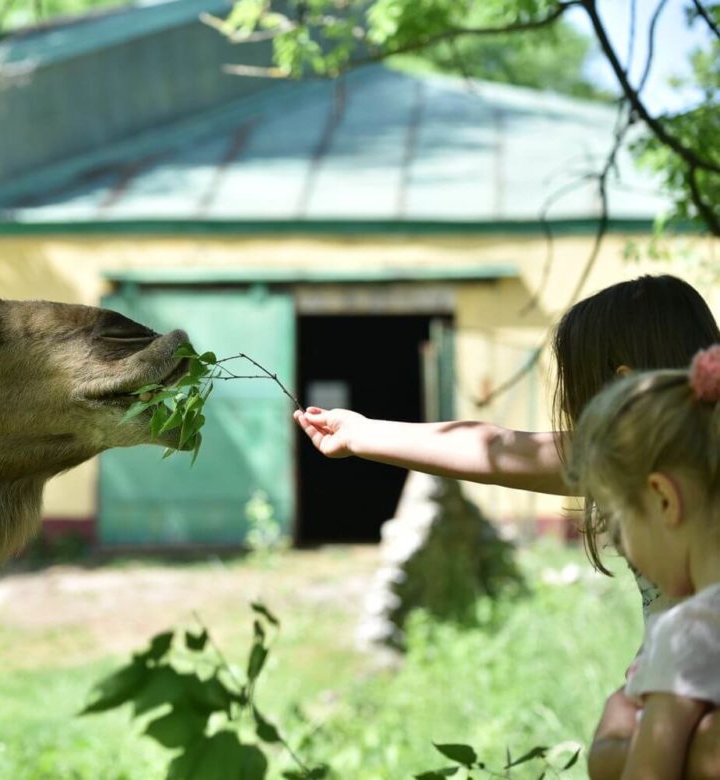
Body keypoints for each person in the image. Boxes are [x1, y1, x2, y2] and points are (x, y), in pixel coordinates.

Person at [291, 274, 720, 777]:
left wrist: (618, 737)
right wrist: (363, 432)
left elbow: (498, 450)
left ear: (623, 387)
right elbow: (493, 447)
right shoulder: (677, 455)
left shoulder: (629, 457)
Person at [563, 347, 720, 778]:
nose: (624, 546)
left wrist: (615, 741)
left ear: (664, 499)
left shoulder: (693, 629)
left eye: (618, 525)